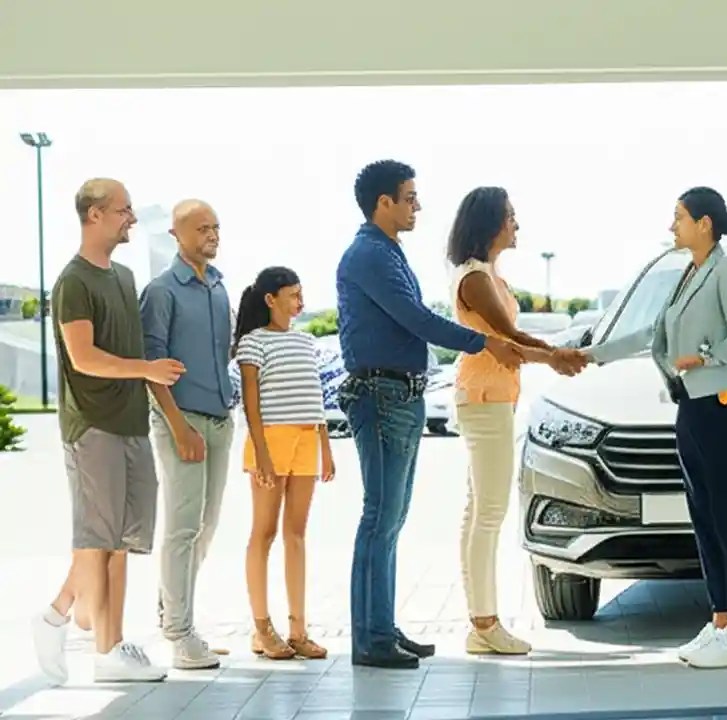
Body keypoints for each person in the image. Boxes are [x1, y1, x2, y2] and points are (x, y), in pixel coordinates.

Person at [336, 160, 524, 669]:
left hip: (398, 394)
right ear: (384, 203)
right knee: (380, 517)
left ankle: (380, 628)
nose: (417, 206)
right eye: (409, 197)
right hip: (381, 395)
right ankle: (371, 639)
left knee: (390, 518)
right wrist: (484, 341)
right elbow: (416, 319)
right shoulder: (370, 255)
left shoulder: (385, 252)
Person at [580, 187, 727, 669]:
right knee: (703, 518)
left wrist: (704, 358)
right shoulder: (688, 274)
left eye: (678, 217)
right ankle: (720, 620)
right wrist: (589, 356)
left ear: (705, 223)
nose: (671, 226)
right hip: (691, 408)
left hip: (720, 406)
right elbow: (649, 335)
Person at [31, 178, 182, 684]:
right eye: (123, 210)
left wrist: (153, 385)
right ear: (94, 214)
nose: (132, 218)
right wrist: (147, 371)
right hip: (92, 425)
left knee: (119, 539)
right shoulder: (72, 282)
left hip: (130, 421)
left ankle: (57, 617)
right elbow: (84, 358)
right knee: (100, 538)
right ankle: (106, 651)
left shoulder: (122, 276)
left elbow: (136, 354)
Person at [445, 187, 587, 655]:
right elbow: (509, 337)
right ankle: (485, 624)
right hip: (484, 397)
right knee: (488, 513)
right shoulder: (475, 277)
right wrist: (555, 357)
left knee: (478, 512)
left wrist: (552, 356)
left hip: (490, 396)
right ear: (489, 222)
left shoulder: (485, 275)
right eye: (509, 216)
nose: (516, 224)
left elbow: (509, 340)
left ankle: (480, 622)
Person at [138, 199, 235, 670]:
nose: (212, 235)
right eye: (202, 228)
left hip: (219, 419)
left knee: (207, 525)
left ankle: (177, 615)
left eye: (216, 227)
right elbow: (151, 367)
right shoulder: (161, 291)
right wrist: (179, 427)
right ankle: (179, 634)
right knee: (181, 529)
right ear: (177, 234)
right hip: (183, 421)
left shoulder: (219, 287)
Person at [234, 266, 334, 661]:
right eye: (292, 295)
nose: (300, 302)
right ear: (270, 299)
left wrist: (325, 446)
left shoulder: (307, 341)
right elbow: (251, 404)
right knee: (263, 533)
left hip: (307, 441)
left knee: (297, 534)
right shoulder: (253, 344)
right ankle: (261, 628)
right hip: (270, 441)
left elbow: (316, 398)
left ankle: (298, 629)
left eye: (301, 293)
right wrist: (261, 453)